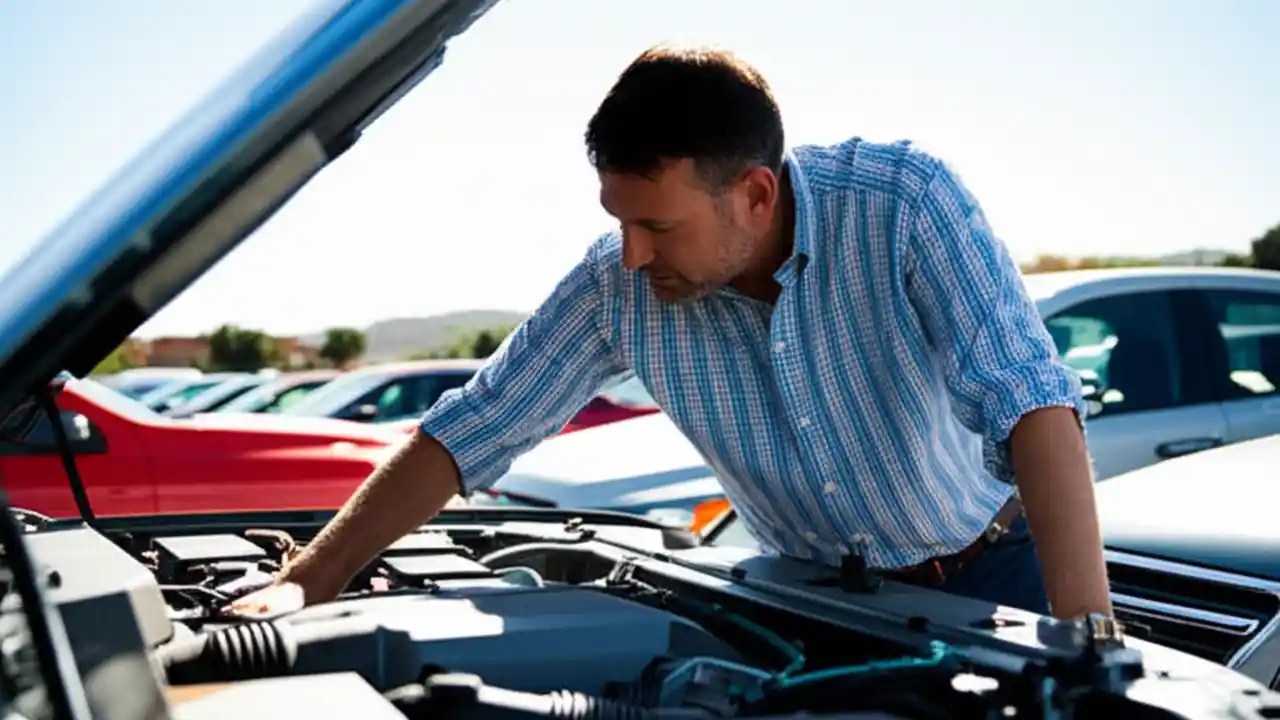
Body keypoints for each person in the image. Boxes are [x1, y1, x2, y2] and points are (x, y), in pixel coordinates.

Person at [232, 45, 1111, 620]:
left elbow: (1029, 401)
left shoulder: (903, 203)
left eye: (659, 226)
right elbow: (475, 426)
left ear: (756, 195)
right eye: (620, 221)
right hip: (817, 602)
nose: (633, 253)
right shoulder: (618, 284)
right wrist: (310, 576)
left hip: (997, 579)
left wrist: (1089, 647)